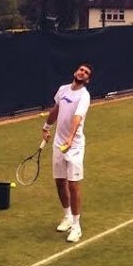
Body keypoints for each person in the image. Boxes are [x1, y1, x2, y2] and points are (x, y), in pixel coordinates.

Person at [40, 63, 92, 242]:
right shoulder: (62, 90)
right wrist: (46, 127)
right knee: (60, 182)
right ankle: (67, 216)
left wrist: (70, 139)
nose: (82, 73)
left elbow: (77, 118)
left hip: (75, 146)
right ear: (75, 72)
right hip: (58, 144)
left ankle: (77, 226)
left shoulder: (84, 96)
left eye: (85, 73)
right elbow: (56, 110)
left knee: (73, 184)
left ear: (87, 79)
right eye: (81, 70)